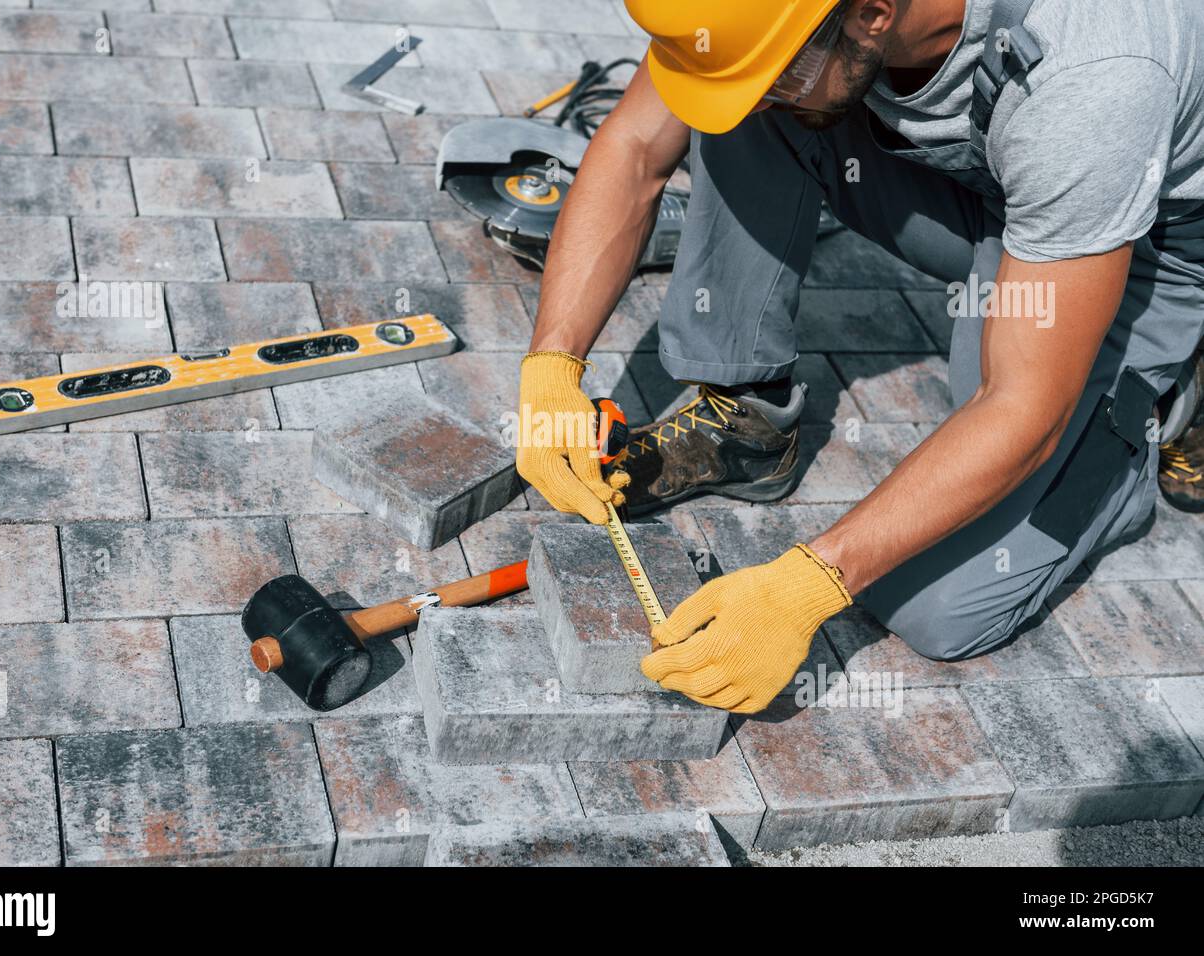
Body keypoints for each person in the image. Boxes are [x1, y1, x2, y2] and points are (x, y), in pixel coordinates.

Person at [515, 0, 1204, 713]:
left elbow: (1024, 404)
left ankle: (1151, 412)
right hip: (1005, 188)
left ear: (873, 14)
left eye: (780, 72)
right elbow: (633, 148)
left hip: (1139, 248)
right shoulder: (782, 16)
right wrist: (552, 364)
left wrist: (809, 584)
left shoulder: (1094, 73)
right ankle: (747, 420)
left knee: (937, 604)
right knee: (745, 102)